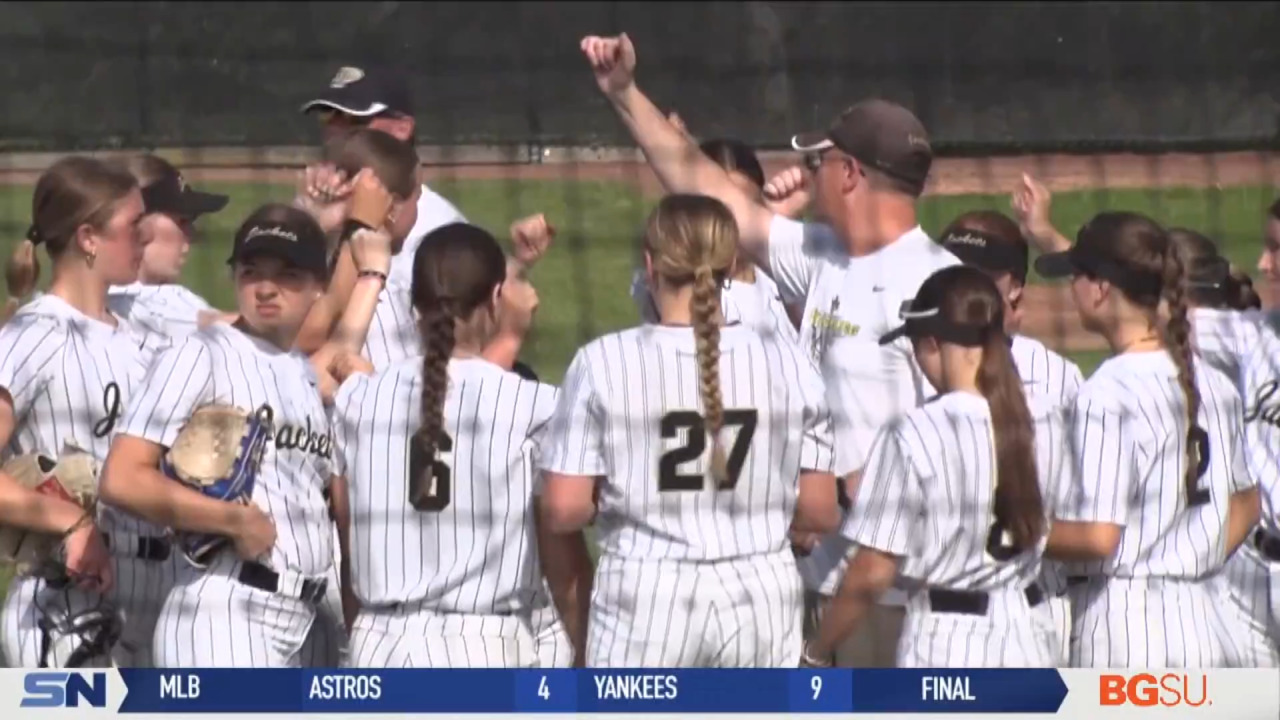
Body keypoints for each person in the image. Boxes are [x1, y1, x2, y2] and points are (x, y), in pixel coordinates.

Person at [581, 32, 960, 668]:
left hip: (894, 599)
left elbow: (974, 439)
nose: (812, 174)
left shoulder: (939, 286)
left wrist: (850, 493)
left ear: (848, 173)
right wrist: (625, 94)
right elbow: (703, 183)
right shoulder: (819, 255)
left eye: (820, 162)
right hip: (811, 587)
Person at [539, 194, 839, 667]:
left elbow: (562, 509)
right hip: (760, 594)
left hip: (647, 595)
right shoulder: (787, 359)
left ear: (649, 263)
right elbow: (821, 511)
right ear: (731, 261)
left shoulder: (603, 362)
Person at [99, 204, 344, 668]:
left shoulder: (301, 374)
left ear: (320, 285)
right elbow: (122, 478)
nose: (266, 288)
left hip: (303, 620)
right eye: (252, 271)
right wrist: (232, 521)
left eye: (287, 274)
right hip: (224, 611)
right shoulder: (200, 354)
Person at [804, 265, 1070, 667]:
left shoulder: (916, 432)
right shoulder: (1046, 417)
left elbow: (873, 570)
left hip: (948, 644)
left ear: (932, 342)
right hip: (1030, 636)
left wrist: (818, 651)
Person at [1035, 211, 1259, 667]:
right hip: (1209, 623)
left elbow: (1099, 538)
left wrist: (1021, 530)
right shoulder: (1214, 383)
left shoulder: (1107, 392)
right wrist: (1194, 553)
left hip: (1127, 633)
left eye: (1076, 276)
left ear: (1100, 289)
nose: (1071, 289)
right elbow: (1248, 501)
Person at [332, 222, 553, 668]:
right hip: (486, 648)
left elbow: (347, 537)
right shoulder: (535, 404)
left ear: (414, 305)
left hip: (379, 644)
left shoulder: (356, 399)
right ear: (495, 300)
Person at [0, 156, 144, 667]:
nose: (145, 238)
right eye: (134, 227)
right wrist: (71, 521)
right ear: (88, 237)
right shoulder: (35, 335)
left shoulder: (134, 327)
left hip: (144, 602)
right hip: (62, 610)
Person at [934, 210, 1084, 663]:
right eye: (947, 270)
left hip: (1037, 604)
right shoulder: (919, 360)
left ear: (1015, 286)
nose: (960, 286)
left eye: (977, 276)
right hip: (938, 615)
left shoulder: (1058, 378)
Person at [630, 134, 799, 342]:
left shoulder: (778, 281)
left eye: (742, 208)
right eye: (715, 210)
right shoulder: (677, 285)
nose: (730, 224)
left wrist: (777, 228)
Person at [106, 154, 231, 367]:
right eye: (182, 220)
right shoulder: (147, 304)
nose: (190, 233)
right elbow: (266, 334)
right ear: (138, 224)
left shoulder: (88, 300)